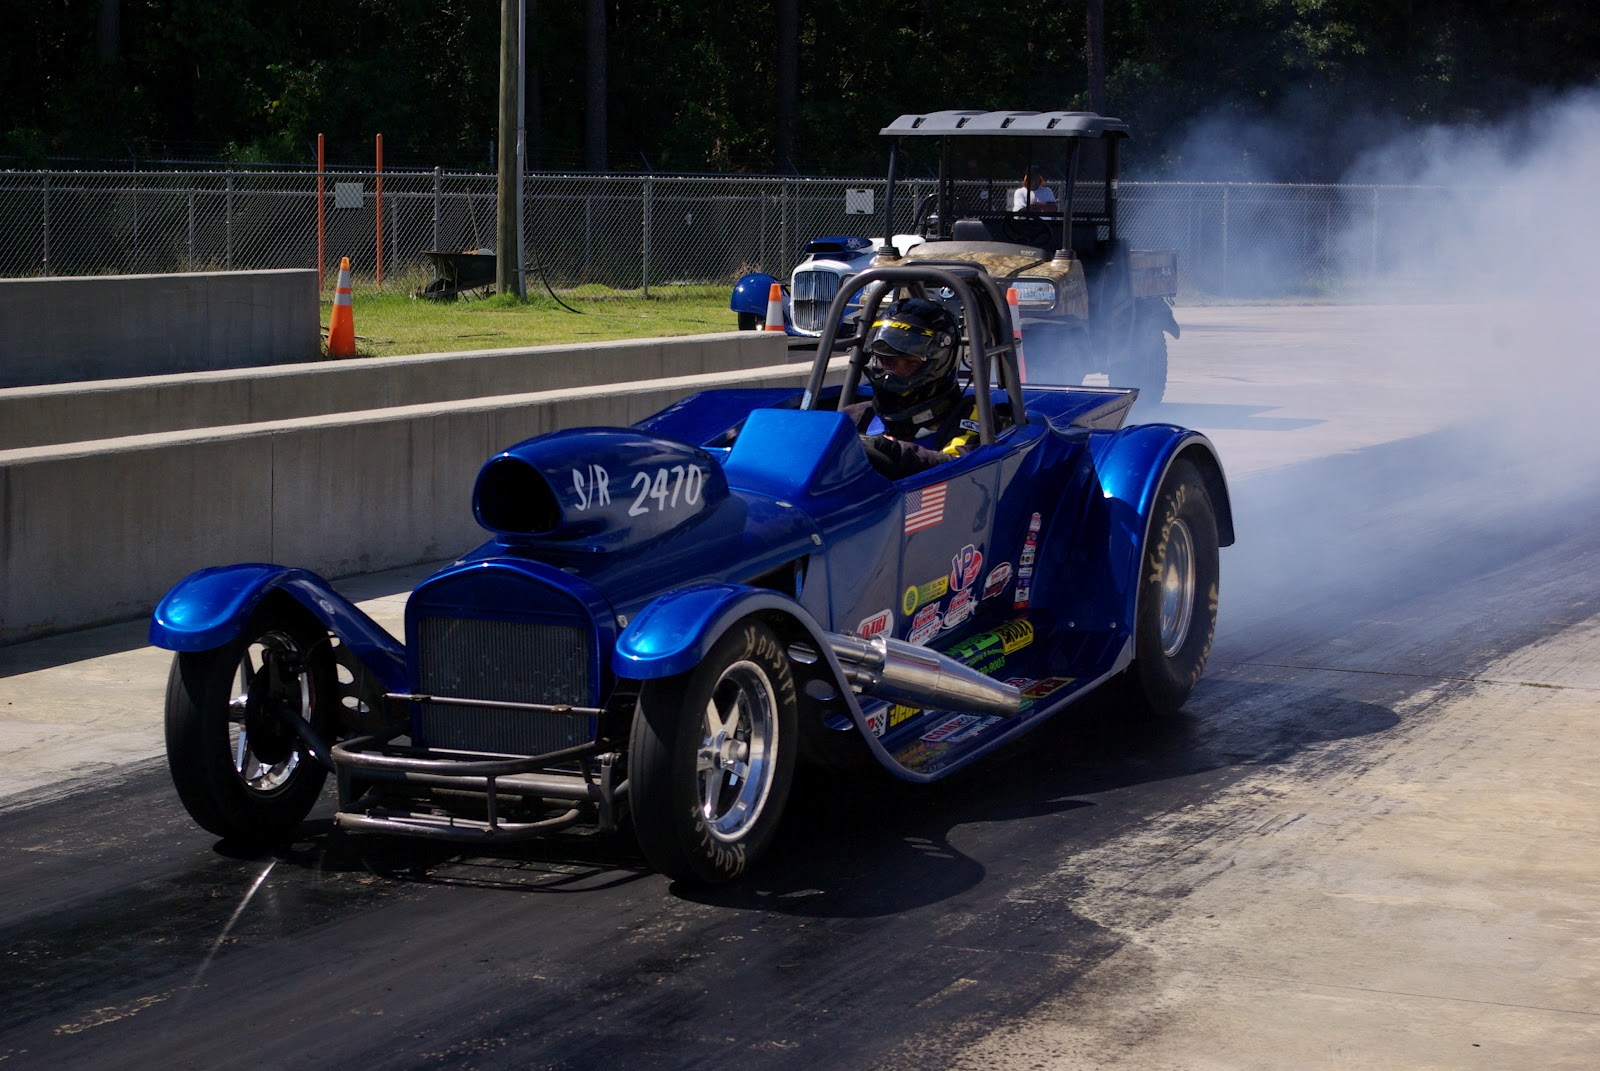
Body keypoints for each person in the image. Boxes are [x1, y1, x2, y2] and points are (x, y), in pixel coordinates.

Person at [844, 297, 986, 479]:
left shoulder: (971, 415)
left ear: (940, 364)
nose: (894, 374)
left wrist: (892, 451)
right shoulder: (856, 417)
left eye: (911, 364)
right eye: (889, 361)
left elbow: (958, 466)